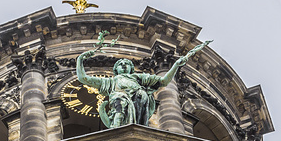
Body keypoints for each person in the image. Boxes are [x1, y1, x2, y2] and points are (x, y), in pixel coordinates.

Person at [76, 39, 211, 128]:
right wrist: (80, 59)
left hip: (140, 101)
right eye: (120, 64)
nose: (123, 66)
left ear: (131, 68)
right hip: (120, 100)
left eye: (127, 64)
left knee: (138, 124)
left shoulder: (140, 78)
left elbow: (164, 81)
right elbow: (83, 78)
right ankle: (115, 133)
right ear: (115, 70)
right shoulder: (111, 81)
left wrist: (175, 66)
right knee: (119, 110)